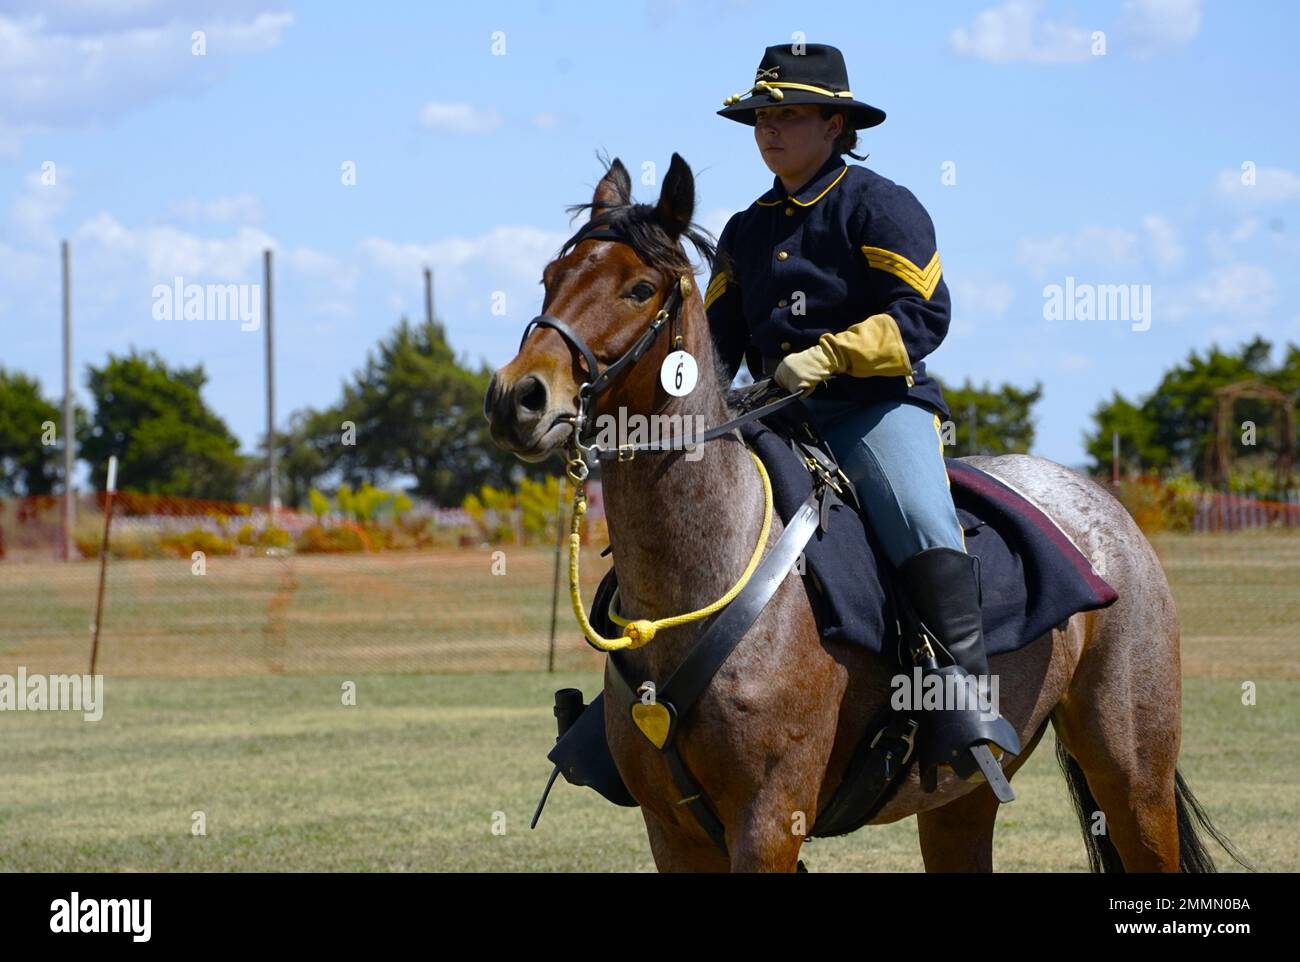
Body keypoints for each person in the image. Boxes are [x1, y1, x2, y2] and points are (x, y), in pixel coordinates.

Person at [704, 43, 1019, 785]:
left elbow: (924, 315)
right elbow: (716, 348)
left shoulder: (879, 204)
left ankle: (962, 697)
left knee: (918, 513)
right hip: (772, 420)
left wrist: (830, 354)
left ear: (836, 123)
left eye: (788, 115)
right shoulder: (745, 230)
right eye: (759, 118)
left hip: (874, 409)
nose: (768, 131)